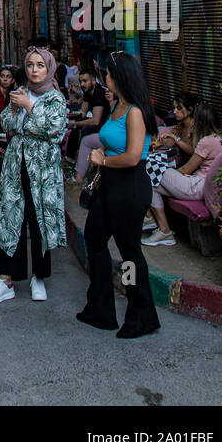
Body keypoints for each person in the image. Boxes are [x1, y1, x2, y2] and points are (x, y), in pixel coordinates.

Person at [77, 50, 160, 338]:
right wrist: (102, 152)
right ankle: (100, 308)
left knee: (129, 251)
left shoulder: (135, 111)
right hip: (110, 184)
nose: (105, 79)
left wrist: (103, 160)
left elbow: (134, 156)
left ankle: (142, 315)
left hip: (129, 185)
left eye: (108, 75)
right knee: (94, 239)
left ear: (120, 77)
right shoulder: (118, 106)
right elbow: (114, 144)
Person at [0, 49, 68, 304]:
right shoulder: (19, 93)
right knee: (10, 216)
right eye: (30, 65)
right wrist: (18, 110)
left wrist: (29, 108)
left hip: (42, 169)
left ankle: (38, 277)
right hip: (15, 164)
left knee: (38, 217)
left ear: (49, 69)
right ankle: (6, 279)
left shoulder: (56, 99)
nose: (34, 70)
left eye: (40, 65)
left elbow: (54, 131)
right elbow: (6, 124)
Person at [144, 99, 222, 247]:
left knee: (149, 165)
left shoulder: (206, 141)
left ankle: (155, 222)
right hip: (206, 186)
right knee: (151, 182)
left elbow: (185, 170)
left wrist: (169, 172)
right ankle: (163, 230)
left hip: (196, 187)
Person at [68, 67, 110, 179]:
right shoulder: (87, 92)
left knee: (84, 130)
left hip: (103, 126)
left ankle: (80, 173)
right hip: (98, 124)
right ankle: (70, 160)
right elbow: (82, 112)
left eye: (85, 81)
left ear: (93, 81)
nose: (82, 84)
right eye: (80, 81)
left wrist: (76, 123)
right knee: (76, 126)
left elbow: (96, 121)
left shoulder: (99, 93)